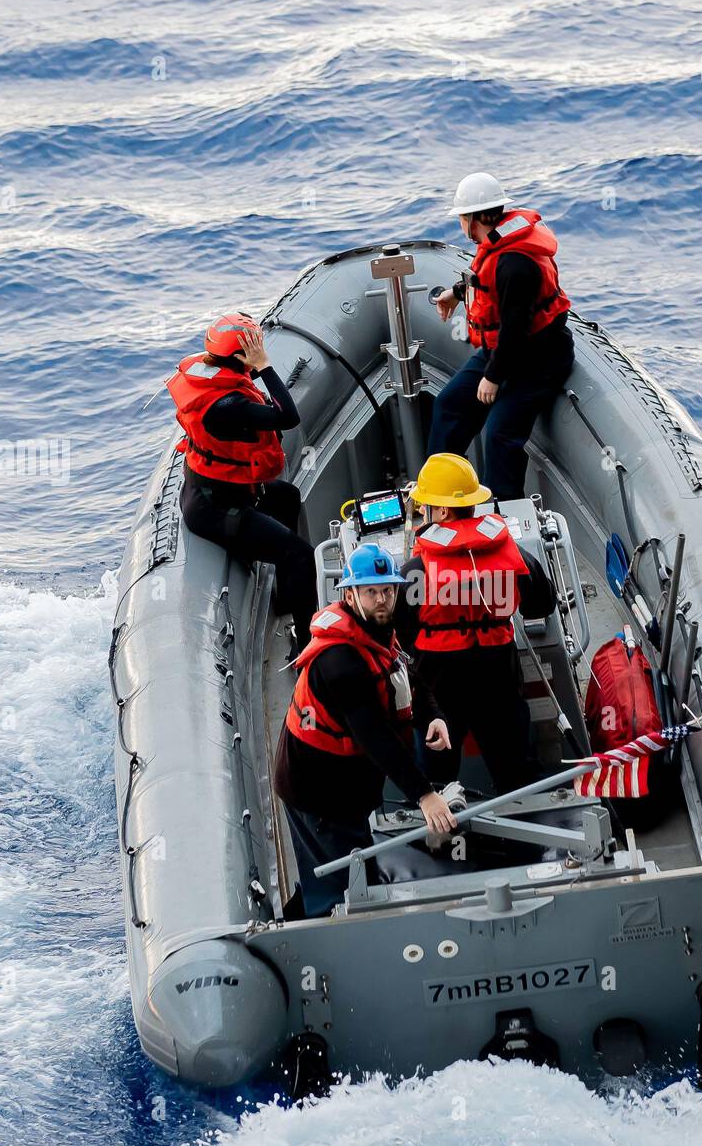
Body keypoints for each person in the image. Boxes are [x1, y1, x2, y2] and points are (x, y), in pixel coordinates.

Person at [274, 544, 458, 917]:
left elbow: (405, 673)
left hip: (347, 785)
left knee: (347, 862)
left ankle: (308, 900)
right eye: (371, 591)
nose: (382, 600)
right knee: (340, 886)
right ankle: (316, 925)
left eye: (388, 590)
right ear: (350, 594)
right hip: (317, 789)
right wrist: (425, 796)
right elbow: (374, 736)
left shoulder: (378, 631)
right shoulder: (339, 661)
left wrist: (433, 715)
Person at [394, 453, 556, 795]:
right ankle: (527, 830)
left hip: (440, 687)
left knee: (438, 782)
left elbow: (401, 637)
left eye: (425, 507)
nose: (422, 513)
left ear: (442, 511)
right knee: (516, 773)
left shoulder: (415, 573)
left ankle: (442, 835)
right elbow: (542, 603)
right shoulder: (512, 555)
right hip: (498, 679)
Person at [168, 312, 317, 642]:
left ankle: (286, 594)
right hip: (217, 509)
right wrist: (264, 366)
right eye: (253, 350)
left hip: (228, 489)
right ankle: (308, 644)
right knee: (300, 555)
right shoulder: (228, 405)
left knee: (287, 498)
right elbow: (286, 416)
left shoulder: (212, 375)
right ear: (240, 357)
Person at [428, 173, 575, 501]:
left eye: (462, 218)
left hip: (537, 358)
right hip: (503, 351)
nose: (461, 224)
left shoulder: (515, 264)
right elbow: (484, 280)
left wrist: (493, 377)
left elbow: (516, 330)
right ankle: (440, 492)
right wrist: (454, 294)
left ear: (476, 219)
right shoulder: (499, 242)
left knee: (500, 434)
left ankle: (503, 512)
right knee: (449, 405)